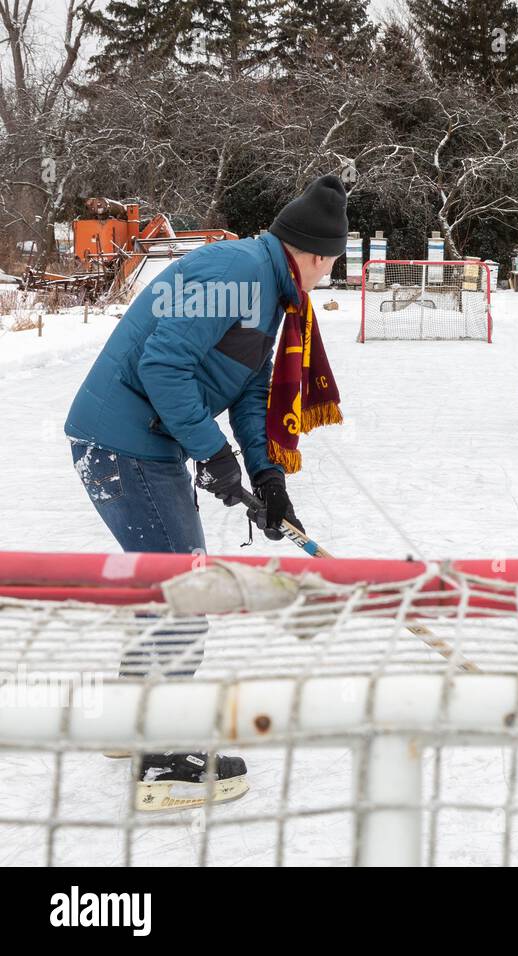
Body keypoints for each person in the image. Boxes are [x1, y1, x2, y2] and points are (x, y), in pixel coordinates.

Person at [64, 175, 349, 810]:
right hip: (122, 440)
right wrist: (213, 456)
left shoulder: (268, 289)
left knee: (167, 580)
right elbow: (160, 366)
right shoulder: (238, 271)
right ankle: (163, 759)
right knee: (184, 585)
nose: (332, 273)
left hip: (144, 440)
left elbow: (247, 389)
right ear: (317, 254)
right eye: (334, 262)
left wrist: (265, 475)